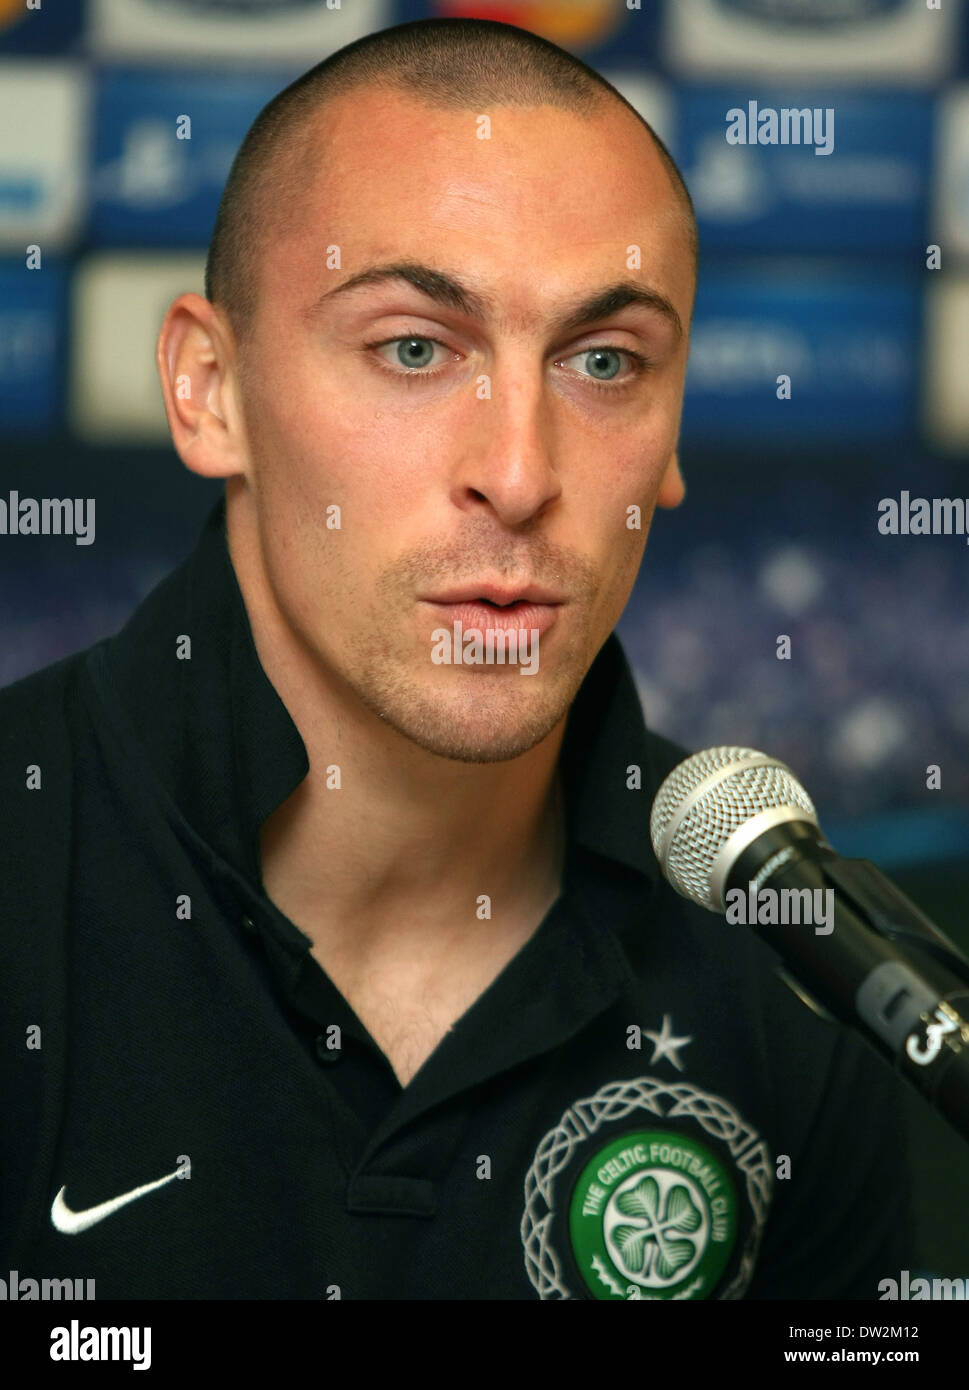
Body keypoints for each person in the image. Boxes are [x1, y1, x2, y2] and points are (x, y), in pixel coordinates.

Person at [0, 17, 912, 1300]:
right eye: (416, 348)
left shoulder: (793, 973)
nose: (522, 472)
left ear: (670, 438)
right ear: (210, 389)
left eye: (606, 362)